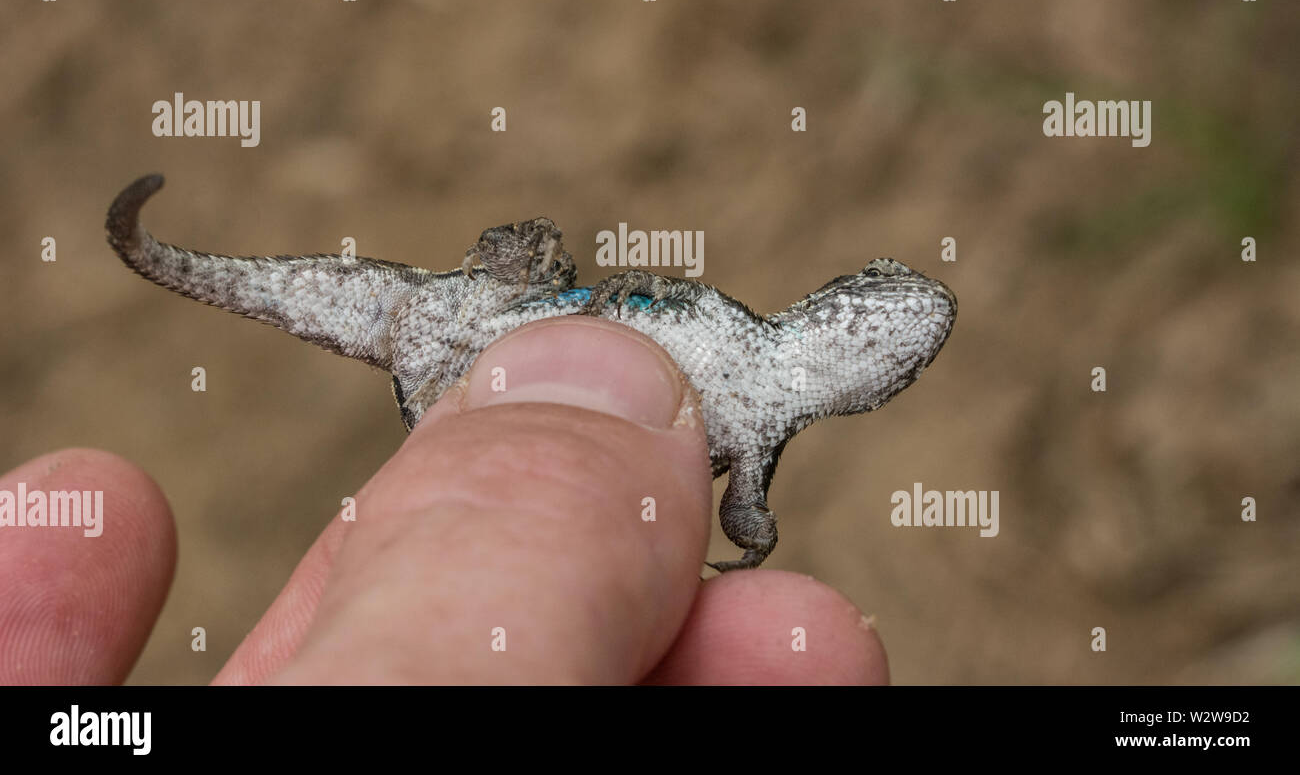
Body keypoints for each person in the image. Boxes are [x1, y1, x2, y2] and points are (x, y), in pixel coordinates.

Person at [0, 318, 887, 684]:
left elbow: (746, 514)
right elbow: (743, 516)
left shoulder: (766, 414)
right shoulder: (755, 378)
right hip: (469, 323)